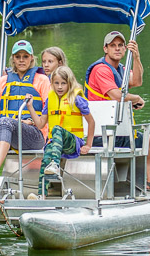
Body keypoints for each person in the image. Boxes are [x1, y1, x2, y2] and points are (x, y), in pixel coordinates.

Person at [85, 30, 150, 191]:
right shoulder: (101, 69)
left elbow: (137, 80)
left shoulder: (120, 69)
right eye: (113, 46)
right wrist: (136, 99)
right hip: (102, 134)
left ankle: (147, 181)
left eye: (120, 45)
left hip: (115, 130)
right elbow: (116, 95)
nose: (117, 48)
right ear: (105, 48)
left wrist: (136, 57)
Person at [0, 40, 50, 198]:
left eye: (25, 56)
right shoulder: (4, 81)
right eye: (18, 56)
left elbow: (48, 112)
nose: (21, 60)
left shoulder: (42, 80)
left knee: (6, 122)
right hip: (6, 130)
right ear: (13, 59)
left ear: (31, 58)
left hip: (34, 134)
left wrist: (31, 121)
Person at [24, 66, 96, 199]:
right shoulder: (50, 100)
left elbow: (91, 122)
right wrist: (30, 107)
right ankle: (42, 195)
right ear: (52, 84)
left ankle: (55, 165)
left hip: (73, 142)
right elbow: (40, 124)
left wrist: (88, 145)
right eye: (56, 83)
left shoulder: (77, 99)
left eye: (63, 83)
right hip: (56, 144)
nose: (60, 87)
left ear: (70, 83)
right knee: (46, 155)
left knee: (57, 129)